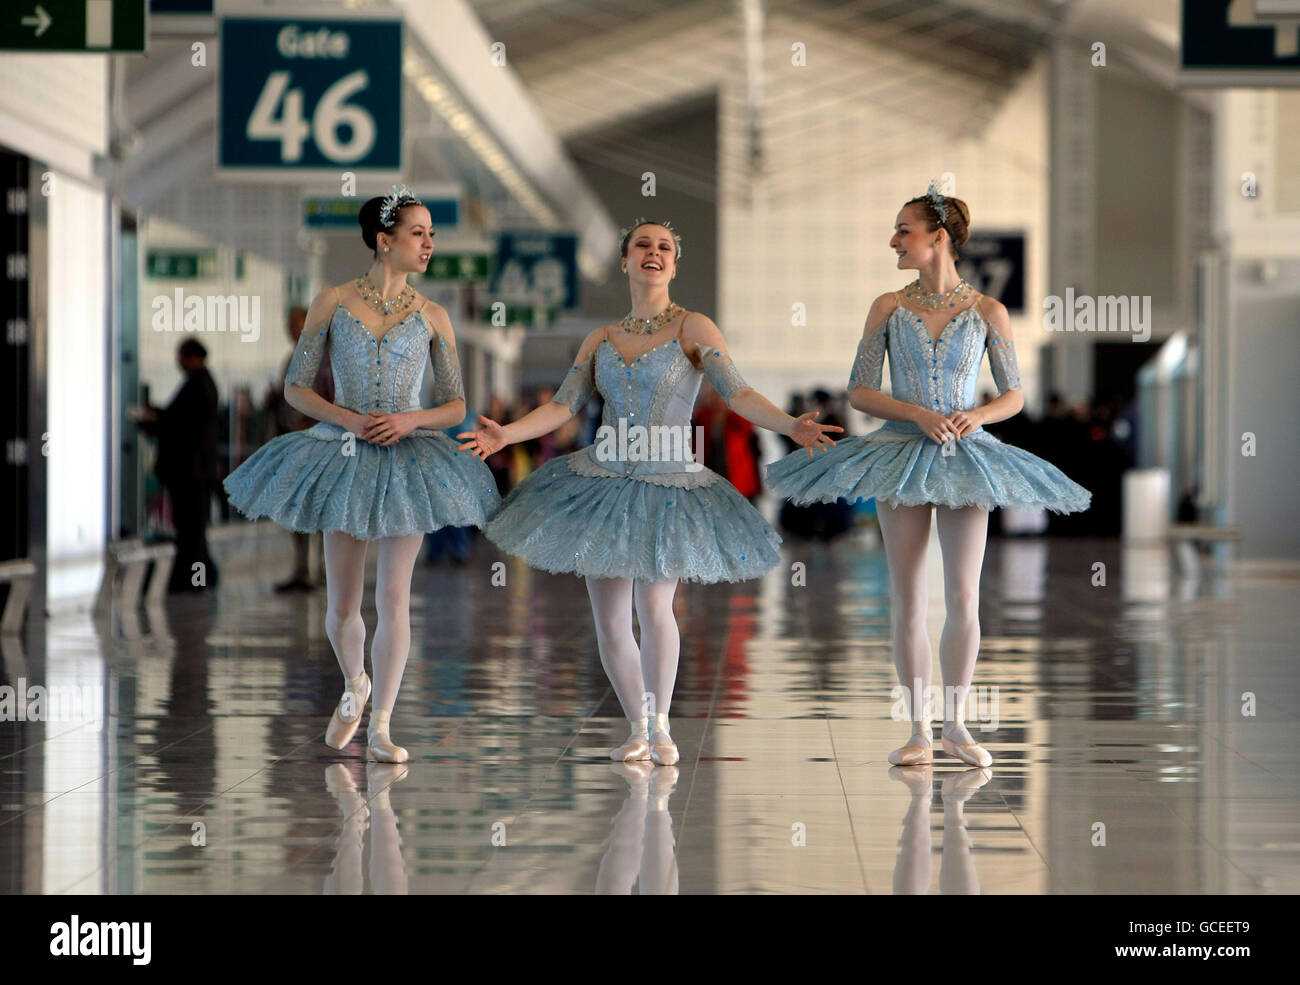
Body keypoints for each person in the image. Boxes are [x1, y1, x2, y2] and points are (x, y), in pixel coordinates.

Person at [459, 219, 841, 765]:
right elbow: (564, 405)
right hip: (602, 481)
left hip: (669, 483)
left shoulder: (694, 328)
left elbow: (738, 393)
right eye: (643, 244)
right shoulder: (599, 340)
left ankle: (661, 727)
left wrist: (789, 425)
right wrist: (507, 433)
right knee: (610, 617)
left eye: (665, 246)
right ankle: (638, 727)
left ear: (675, 265)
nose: (654, 252)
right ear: (625, 261)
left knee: (655, 603)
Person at [766, 183, 1090, 768]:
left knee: (965, 593)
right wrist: (915, 411)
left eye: (903, 230)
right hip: (900, 452)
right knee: (907, 592)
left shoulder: (989, 312)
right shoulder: (887, 306)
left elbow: (1016, 394)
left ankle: (957, 726)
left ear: (938, 238)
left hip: (967, 454)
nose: (894, 240)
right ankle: (918, 728)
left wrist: (978, 415)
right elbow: (859, 390)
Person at [223, 185, 501, 763]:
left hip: (409, 458)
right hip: (339, 455)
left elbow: (455, 405)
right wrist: (348, 418)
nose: (428, 243)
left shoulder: (433, 316)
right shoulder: (332, 302)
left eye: (431, 234)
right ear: (384, 239)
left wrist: (409, 420)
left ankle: (382, 725)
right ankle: (355, 682)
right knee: (343, 601)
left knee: (394, 596)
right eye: (417, 233)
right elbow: (295, 388)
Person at [131, 337, 221, 593]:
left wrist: (153, 421)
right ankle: (201, 579)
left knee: (191, 531)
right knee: (194, 530)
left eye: (181, 355)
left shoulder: (198, 386)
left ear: (192, 357)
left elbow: (180, 425)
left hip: (191, 474)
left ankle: (195, 581)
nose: (178, 361)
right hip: (197, 472)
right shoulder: (202, 384)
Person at [265, 307, 335, 592]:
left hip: (318, 445)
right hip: (295, 445)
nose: (290, 329)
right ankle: (304, 568)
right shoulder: (294, 359)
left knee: (319, 510)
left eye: (296, 324)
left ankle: (319, 569)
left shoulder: (325, 359)